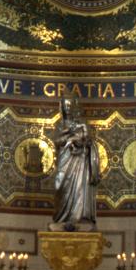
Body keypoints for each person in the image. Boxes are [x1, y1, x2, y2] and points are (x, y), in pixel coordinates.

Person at [49, 98, 100, 231]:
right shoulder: (61, 124)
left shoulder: (82, 124)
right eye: (64, 105)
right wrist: (69, 137)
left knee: (79, 186)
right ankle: (62, 216)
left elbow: (88, 140)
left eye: (69, 105)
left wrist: (80, 142)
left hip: (80, 161)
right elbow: (57, 141)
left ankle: (77, 216)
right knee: (59, 186)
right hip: (65, 158)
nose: (67, 108)